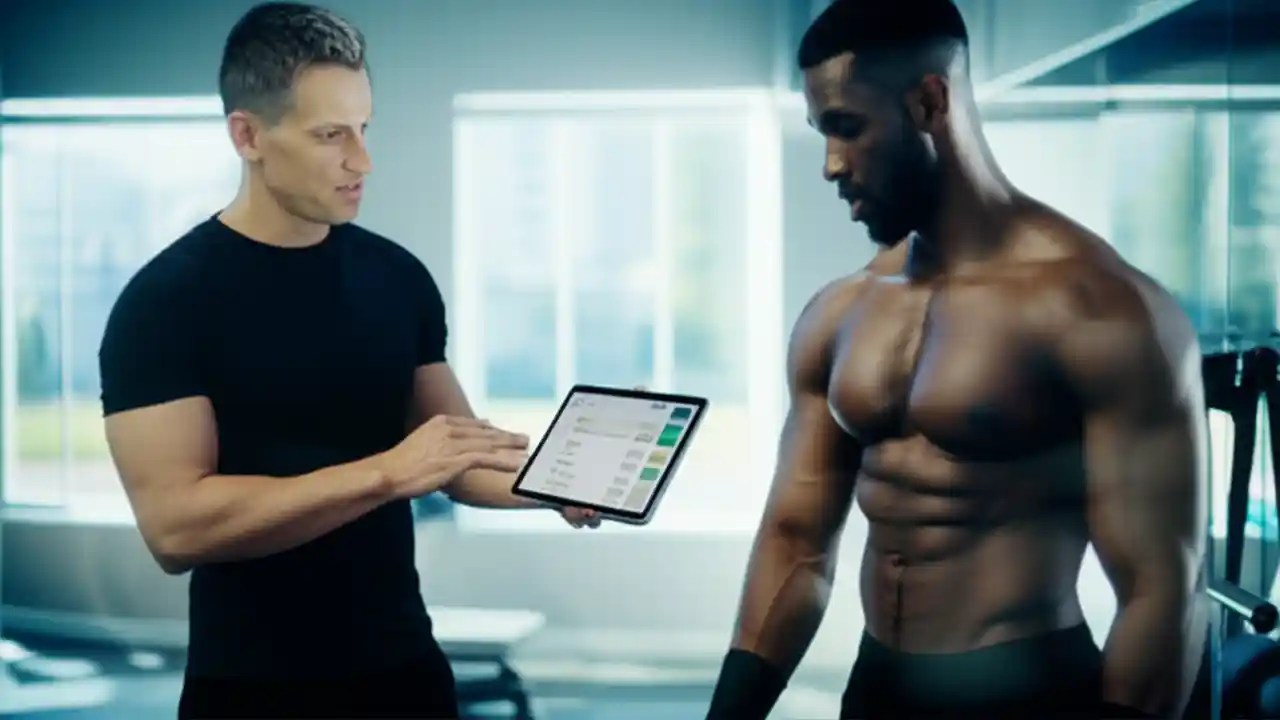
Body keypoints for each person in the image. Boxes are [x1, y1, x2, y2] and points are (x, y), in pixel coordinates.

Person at [705, 1, 1208, 718]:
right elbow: (796, 541)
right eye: (822, 133)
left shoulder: (1101, 309)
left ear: (929, 101)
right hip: (877, 689)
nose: (830, 165)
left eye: (848, 126)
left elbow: (1164, 591)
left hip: (1030, 692)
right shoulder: (841, 312)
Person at [98, 3, 598, 718]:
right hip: (251, 689)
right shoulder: (164, 302)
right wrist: (384, 474)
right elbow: (176, 528)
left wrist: (569, 479)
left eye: (364, 129)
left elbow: (453, 455)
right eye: (331, 135)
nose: (362, 160)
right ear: (248, 135)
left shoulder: (397, 278)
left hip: (406, 676)